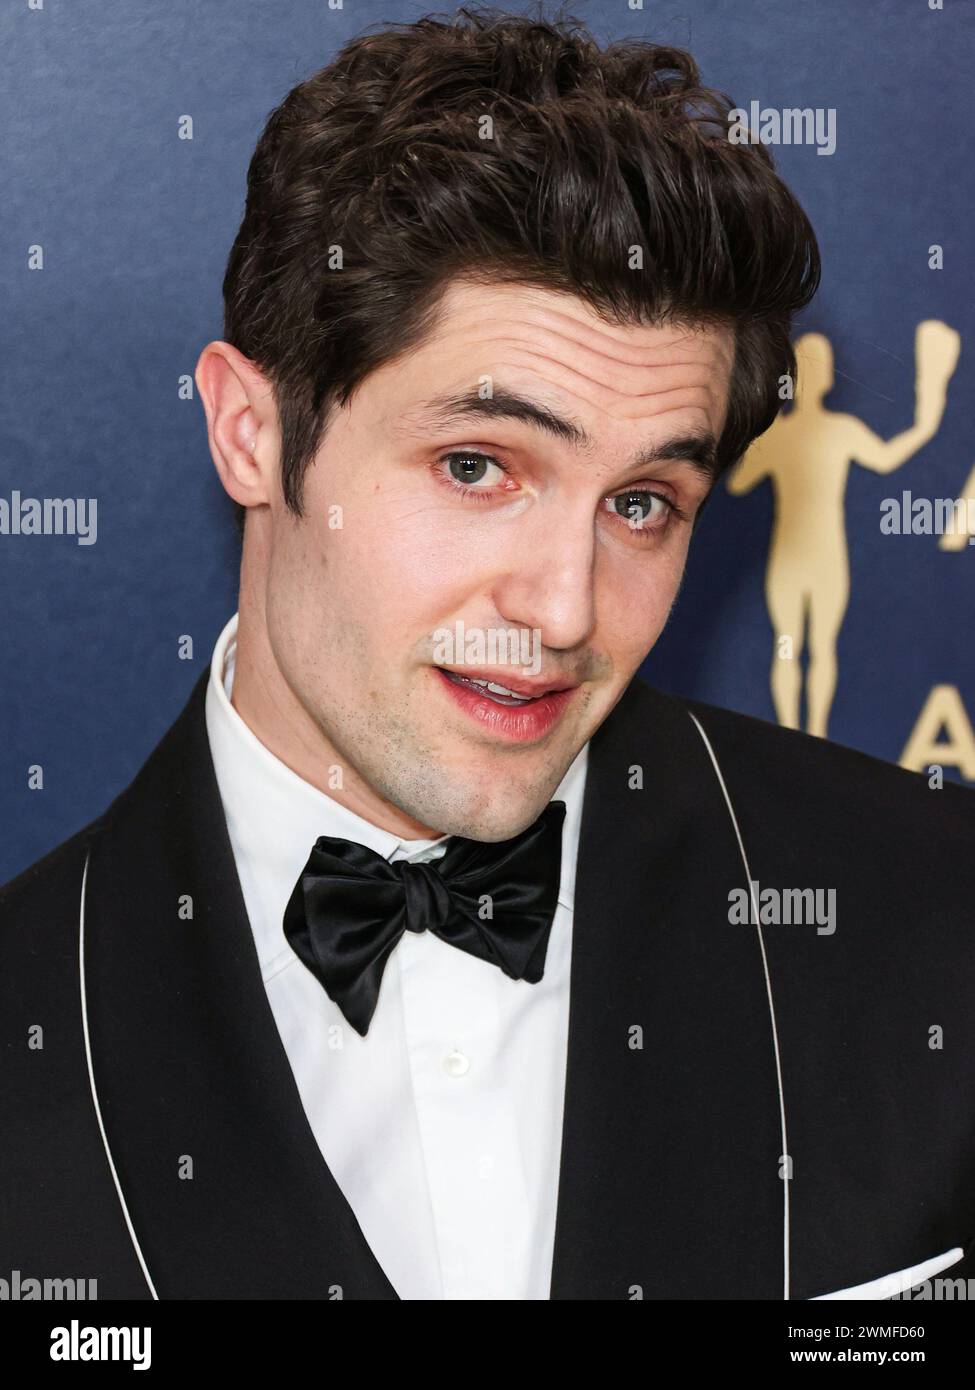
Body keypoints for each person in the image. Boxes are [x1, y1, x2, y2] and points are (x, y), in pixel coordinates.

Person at [2, 8, 973, 1302]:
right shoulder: (32, 1019)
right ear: (250, 430)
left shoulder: (936, 919)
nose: (565, 607)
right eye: (478, 466)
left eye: (641, 502)